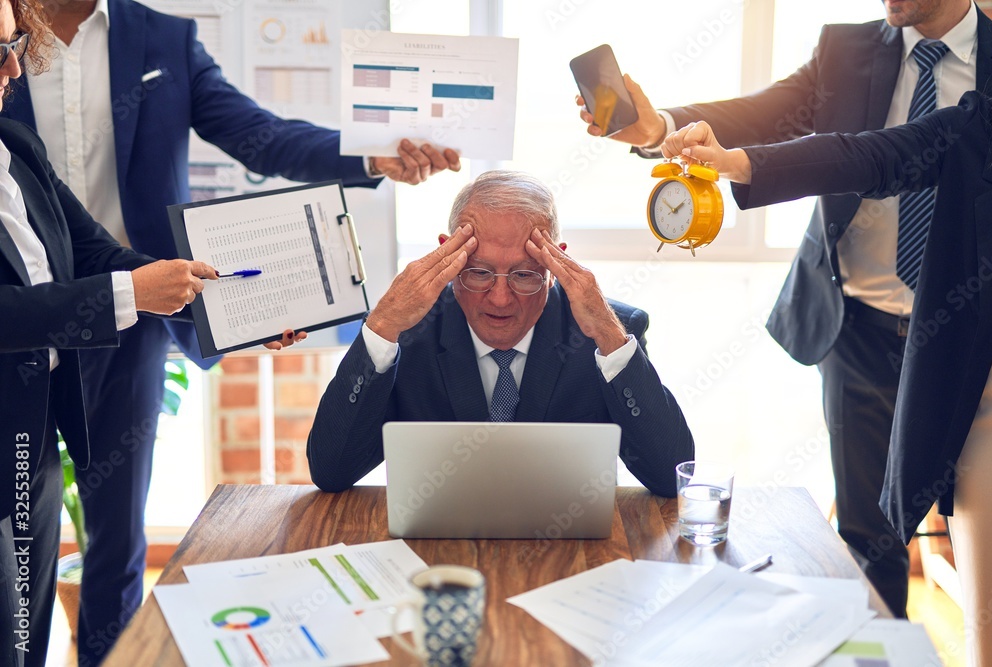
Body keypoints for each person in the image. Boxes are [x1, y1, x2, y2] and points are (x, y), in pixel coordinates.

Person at [1, 1, 460, 663]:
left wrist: (370, 157)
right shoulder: (8, 39)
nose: (10, 65)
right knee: (17, 537)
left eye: (13, 51)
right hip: (20, 332)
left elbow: (263, 137)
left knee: (115, 543)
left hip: (136, 315)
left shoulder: (163, 38)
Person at [577, 0, 992, 618]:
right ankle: (876, 657)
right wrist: (656, 125)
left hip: (971, 339)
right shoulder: (847, 48)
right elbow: (771, 118)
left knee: (977, 515)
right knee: (869, 532)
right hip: (857, 322)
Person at [659, 65, 992, 661]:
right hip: (987, 406)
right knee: (989, 628)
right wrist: (737, 163)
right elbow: (863, 157)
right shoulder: (981, 123)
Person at [307, 170, 694, 497]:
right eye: (479, 272)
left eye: (525, 274)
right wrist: (381, 328)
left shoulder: (607, 332)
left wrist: (609, 336)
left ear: (555, 263)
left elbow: (671, 476)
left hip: (568, 551)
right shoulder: (407, 330)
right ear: (447, 256)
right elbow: (331, 471)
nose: (500, 297)